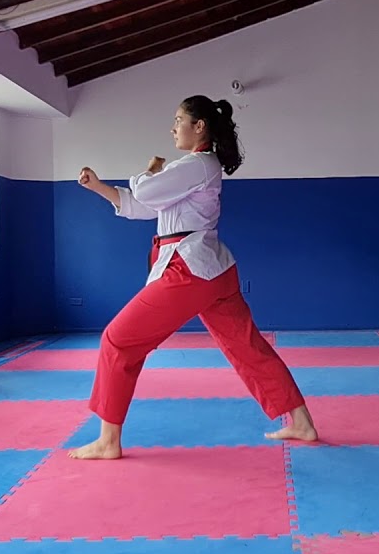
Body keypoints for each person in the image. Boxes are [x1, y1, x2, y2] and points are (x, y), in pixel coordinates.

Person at [70, 95, 319, 460]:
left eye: (178, 120)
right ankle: (301, 422)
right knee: (247, 347)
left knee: (117, 341)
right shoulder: (193, 168)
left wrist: (148, 172)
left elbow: (144, 190)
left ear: (199, 126)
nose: (173, 128)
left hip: (189, 270)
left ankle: (108, 441)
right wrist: (98, 187)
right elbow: (144, 206)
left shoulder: (199, 164)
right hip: (212, 271)